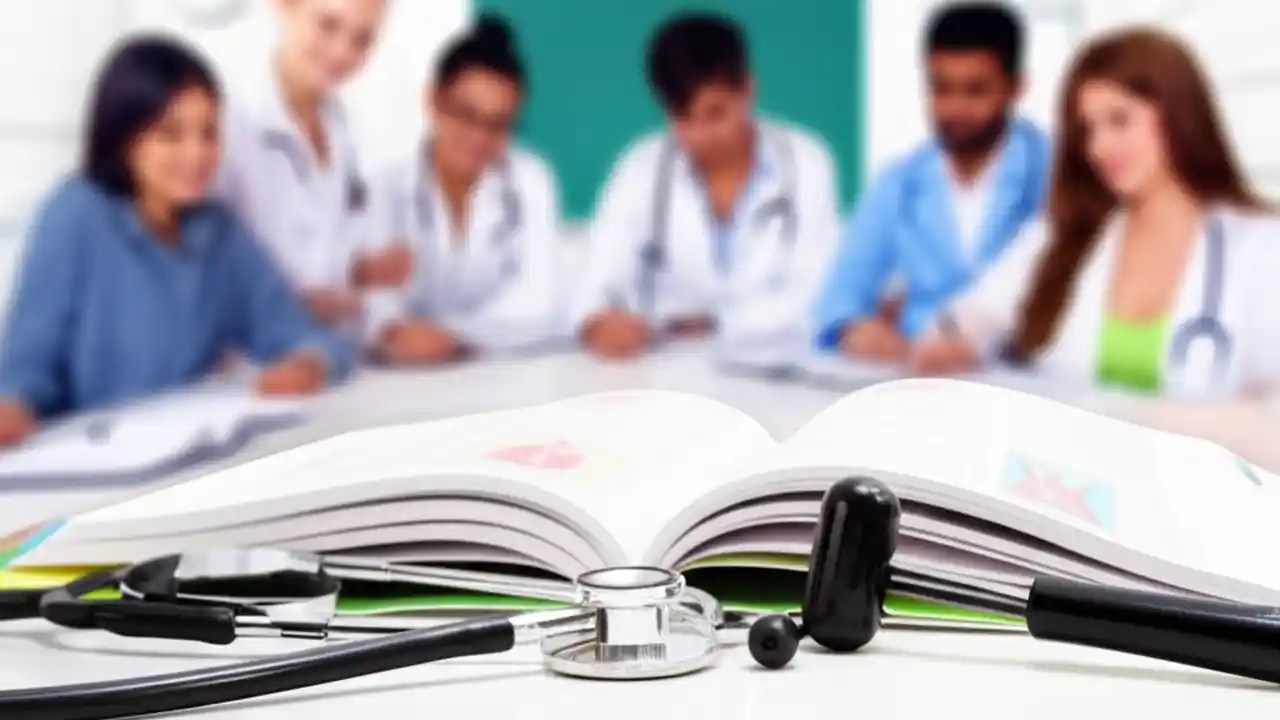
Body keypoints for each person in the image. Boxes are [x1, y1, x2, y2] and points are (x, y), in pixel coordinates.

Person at [0, 37, 352, 446]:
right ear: (124, 138)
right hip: (84, 459)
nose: (197, 154)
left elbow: (302, 333)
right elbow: (25, 365)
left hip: (182, 454)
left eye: (209, 133)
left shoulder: (219, 233)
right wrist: (14, 405)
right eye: (171, 134)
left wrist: (309, 363)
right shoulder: (75, 213)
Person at [913, 29, 1280, 399]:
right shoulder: (1068, 236)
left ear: (1179, 114)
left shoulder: (1261, 246)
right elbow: (972, 313)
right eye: (1088, 130)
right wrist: (950, 340)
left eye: (1119, 120)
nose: (1099, 147)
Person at [566, 13, 841, 368]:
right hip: (665, 375)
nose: (700, 135)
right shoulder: (641, 169)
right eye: (683, 119)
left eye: (716, 114)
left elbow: (819, 292)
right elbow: (594, 282)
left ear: (748, 90)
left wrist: (714, 322)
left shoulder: (805, 162)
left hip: (777, 372)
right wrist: (597, 322)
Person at [811, 2, 1049, 362]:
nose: (954, 109)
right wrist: (852, 330)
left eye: (975, 91)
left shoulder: (1057, 171)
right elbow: (838, 297)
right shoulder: (899, 181)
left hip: (1027, 377)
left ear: (1016, 87)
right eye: (941, 88)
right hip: (918, 373)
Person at [368, 16, 560, 363]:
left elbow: (538, 302)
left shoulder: (531, 179)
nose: (479, 137)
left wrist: (451, 335)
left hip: (500, 372)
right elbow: (373, 303)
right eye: (465, 115)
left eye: (499, 123)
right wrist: (394, 330)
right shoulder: (385, 187)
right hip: (405, 378)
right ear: (432, 101)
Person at [216, 0, 404, 335]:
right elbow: (189, 265)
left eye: (363, 39)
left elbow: (323, 253)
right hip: (253, 363)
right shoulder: (227, 120)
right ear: (283, 6)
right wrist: (285, 302)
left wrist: (362, 272)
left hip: (330, 354)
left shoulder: (344, 126)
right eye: (328, 25)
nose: (342, 53)